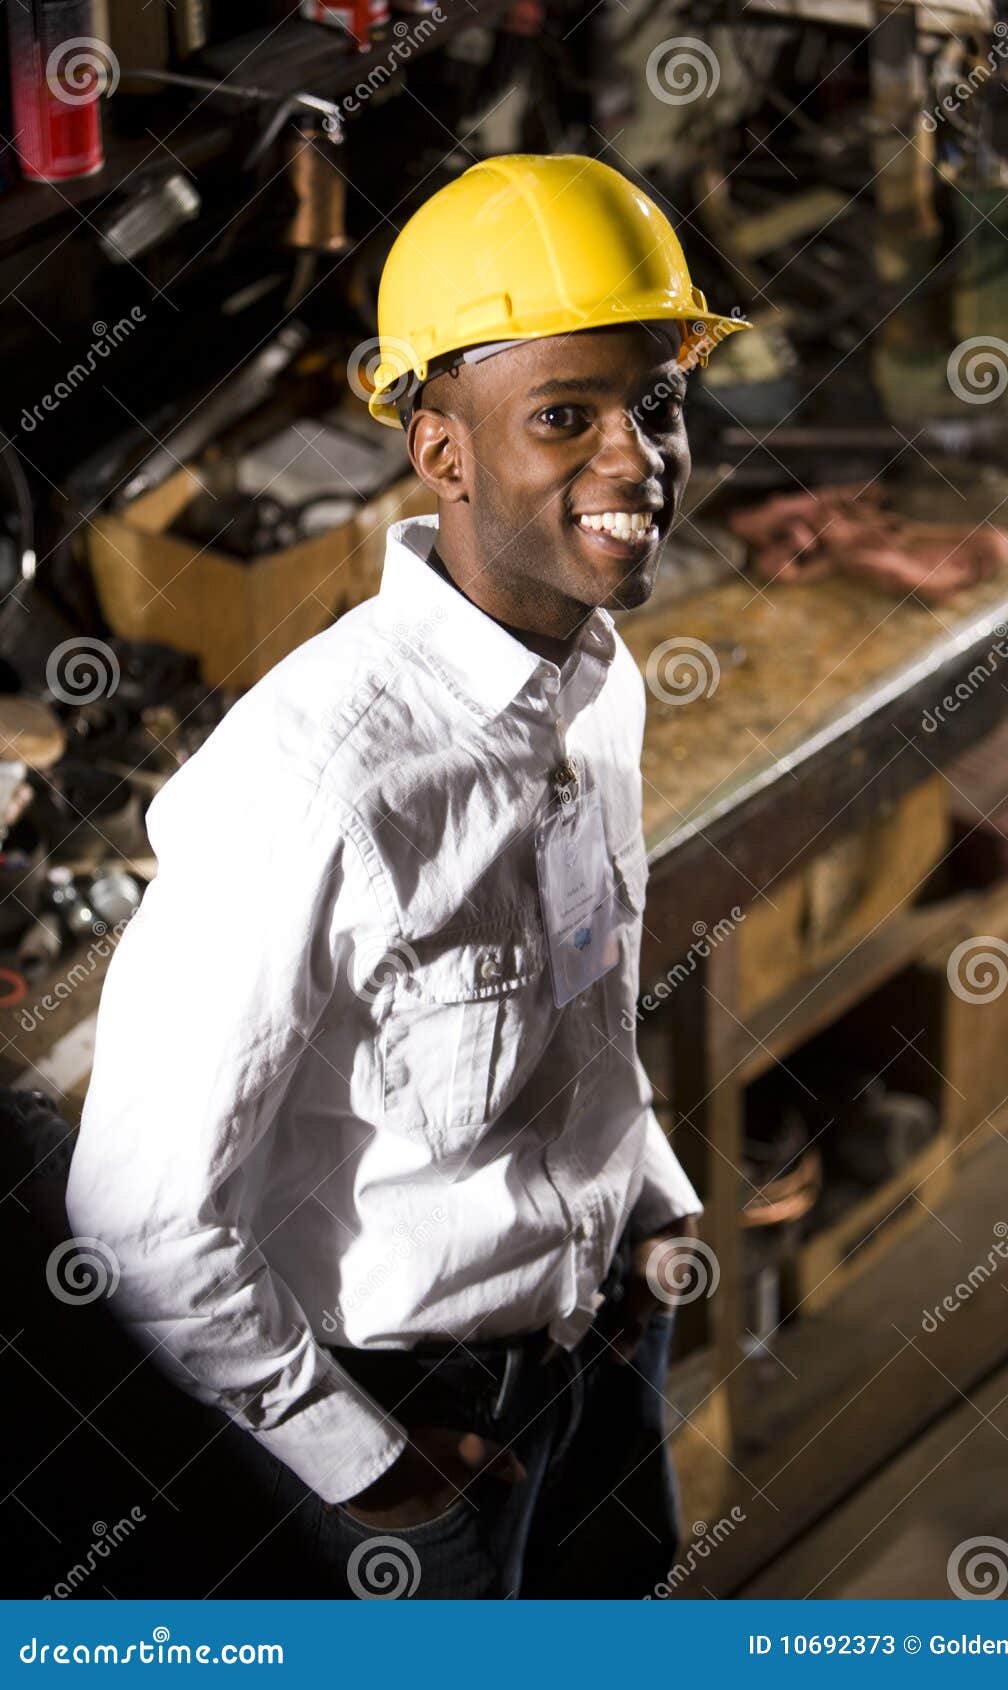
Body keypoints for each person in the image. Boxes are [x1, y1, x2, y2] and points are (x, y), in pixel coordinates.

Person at [66, 153, 748, 1599]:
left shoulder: (595, 680)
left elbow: (570, 1007)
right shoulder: (315, 783)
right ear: (441, 451)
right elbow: (136, 1222)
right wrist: (369, 1464)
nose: (639, 459)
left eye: (658, 402)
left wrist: (652, 1194)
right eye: (565, 417)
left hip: (601, 1339)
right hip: (421, 1419)